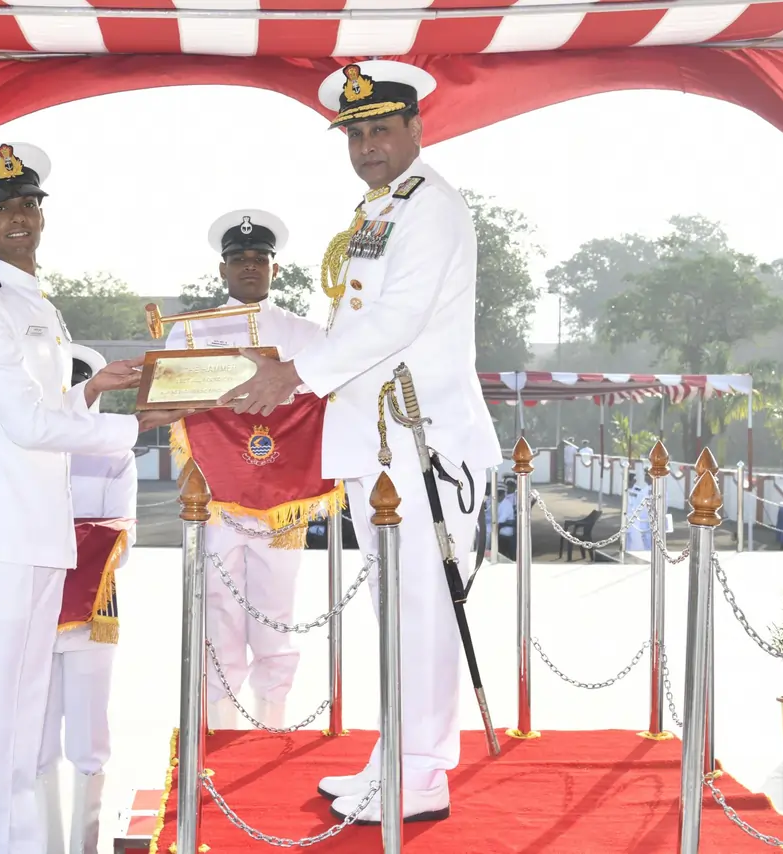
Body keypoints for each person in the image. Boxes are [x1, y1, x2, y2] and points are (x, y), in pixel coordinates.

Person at [217, 61, 503, 823]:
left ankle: (422, 775)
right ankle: (397, 759)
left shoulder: (430, 206)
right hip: (380, 441)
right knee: (397, 610)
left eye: (380, 129)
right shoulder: (381, 208)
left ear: (416, 128)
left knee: (423, 610)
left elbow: (399, 319)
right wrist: (285, 368)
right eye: (355, 133)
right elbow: (355, 324)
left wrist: (294, 377)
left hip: (422, 442)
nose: (367, 145)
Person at [0, 141, 189, 854]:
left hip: (36, 532)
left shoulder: (32, 303)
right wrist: (134, 424)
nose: (18, 217)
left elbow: (42, 409)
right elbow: (24, 425)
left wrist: (92, 390)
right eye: (0, 210)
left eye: (28, 204)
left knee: (23, 720)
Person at [165, 209, 320, 729]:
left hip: (283, 497)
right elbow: (172, 396)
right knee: (218, 608)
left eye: (259, 258)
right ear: (222, 269)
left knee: (277, 609)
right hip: (216, 495)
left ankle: (274, 716)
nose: (249, 266)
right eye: (238, 259)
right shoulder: (191, 333)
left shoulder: (308, 335)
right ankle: (222, 723)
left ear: (276, 268)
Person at [37, 344, 139, 854]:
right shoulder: (28, 448)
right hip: (36, 605)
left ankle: (84, 846)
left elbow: (124, 538)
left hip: (91, 608)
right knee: (35, 741)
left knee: (89, 741)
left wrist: (52, 544)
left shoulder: (115, 451)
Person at [624, 471, 652, 552]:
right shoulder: (624, 489)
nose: (629, 482)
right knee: (626, 537)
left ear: (634, 481)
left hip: (637, 519)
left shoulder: (639, 490)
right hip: (627, 518)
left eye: (631, 480)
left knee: (638, 537)